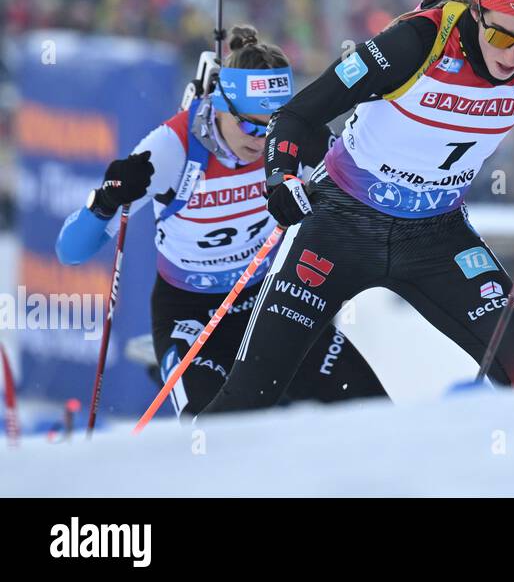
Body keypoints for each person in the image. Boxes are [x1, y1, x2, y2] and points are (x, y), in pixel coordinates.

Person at [201, 0, 514, 412]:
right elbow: (298, 113)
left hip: (437, 236)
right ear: (479, 11)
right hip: (340, 222)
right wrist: (279, 177)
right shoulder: (415, 42)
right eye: (502, 36)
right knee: (249, 397)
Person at [55, 26, 387, 417]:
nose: (262, 141)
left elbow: (371, 194)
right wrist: (106, 201)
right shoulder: (171, 147)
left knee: (371, 410)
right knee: (212, 434)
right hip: (192, 316)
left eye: (274, 125)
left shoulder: (294, 138)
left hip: (269, 300)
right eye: (249, 125)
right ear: (220, 104)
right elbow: (70, 251)